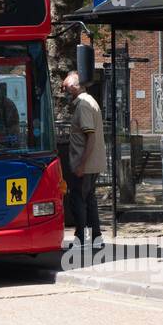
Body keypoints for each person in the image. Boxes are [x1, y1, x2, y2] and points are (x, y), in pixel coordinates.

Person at [62, 72, 106, 248]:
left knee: (79, 200)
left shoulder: (84, 106)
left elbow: (91, 137)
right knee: (89, 199)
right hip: (92, 163)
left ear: (74, 86)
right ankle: (96, 237)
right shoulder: (89, 102)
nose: (64, 90)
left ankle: (82, 238)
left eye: (65, 87)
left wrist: (81, 164)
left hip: (85, 165)